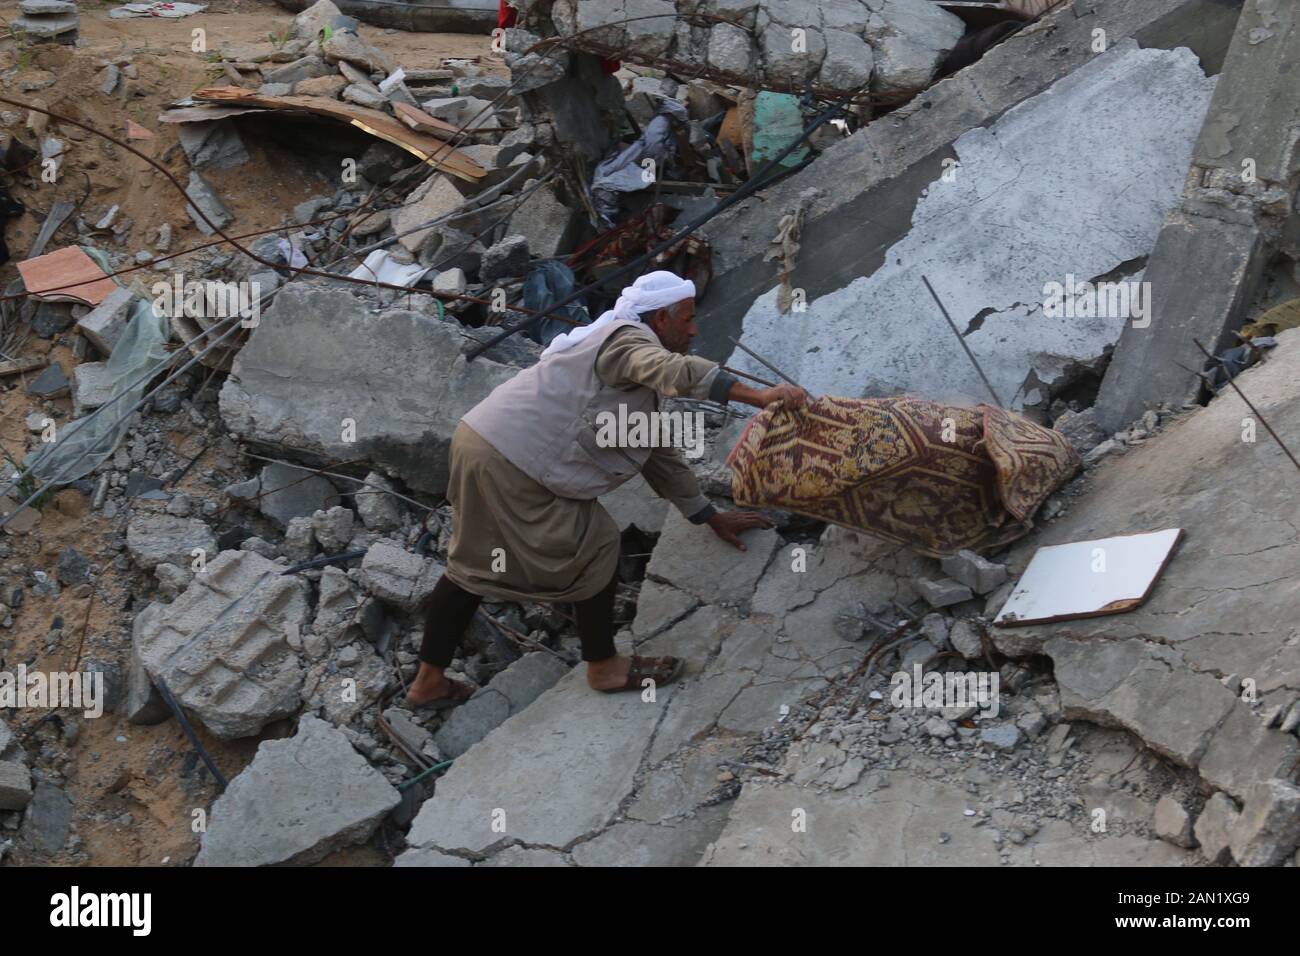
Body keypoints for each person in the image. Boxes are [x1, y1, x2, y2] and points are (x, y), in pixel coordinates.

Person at [408, 270, 808, 705]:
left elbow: (655, 451)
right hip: (513, 460)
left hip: (481, 442)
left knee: (472, 562)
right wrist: (758, 397)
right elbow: (673, 370)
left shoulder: (617, 357)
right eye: (687, 319)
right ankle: (603, 666)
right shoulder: (627, 341)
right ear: (659, 320)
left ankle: (429, 680)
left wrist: (707, 515)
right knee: (597, 545)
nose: (694, 329)